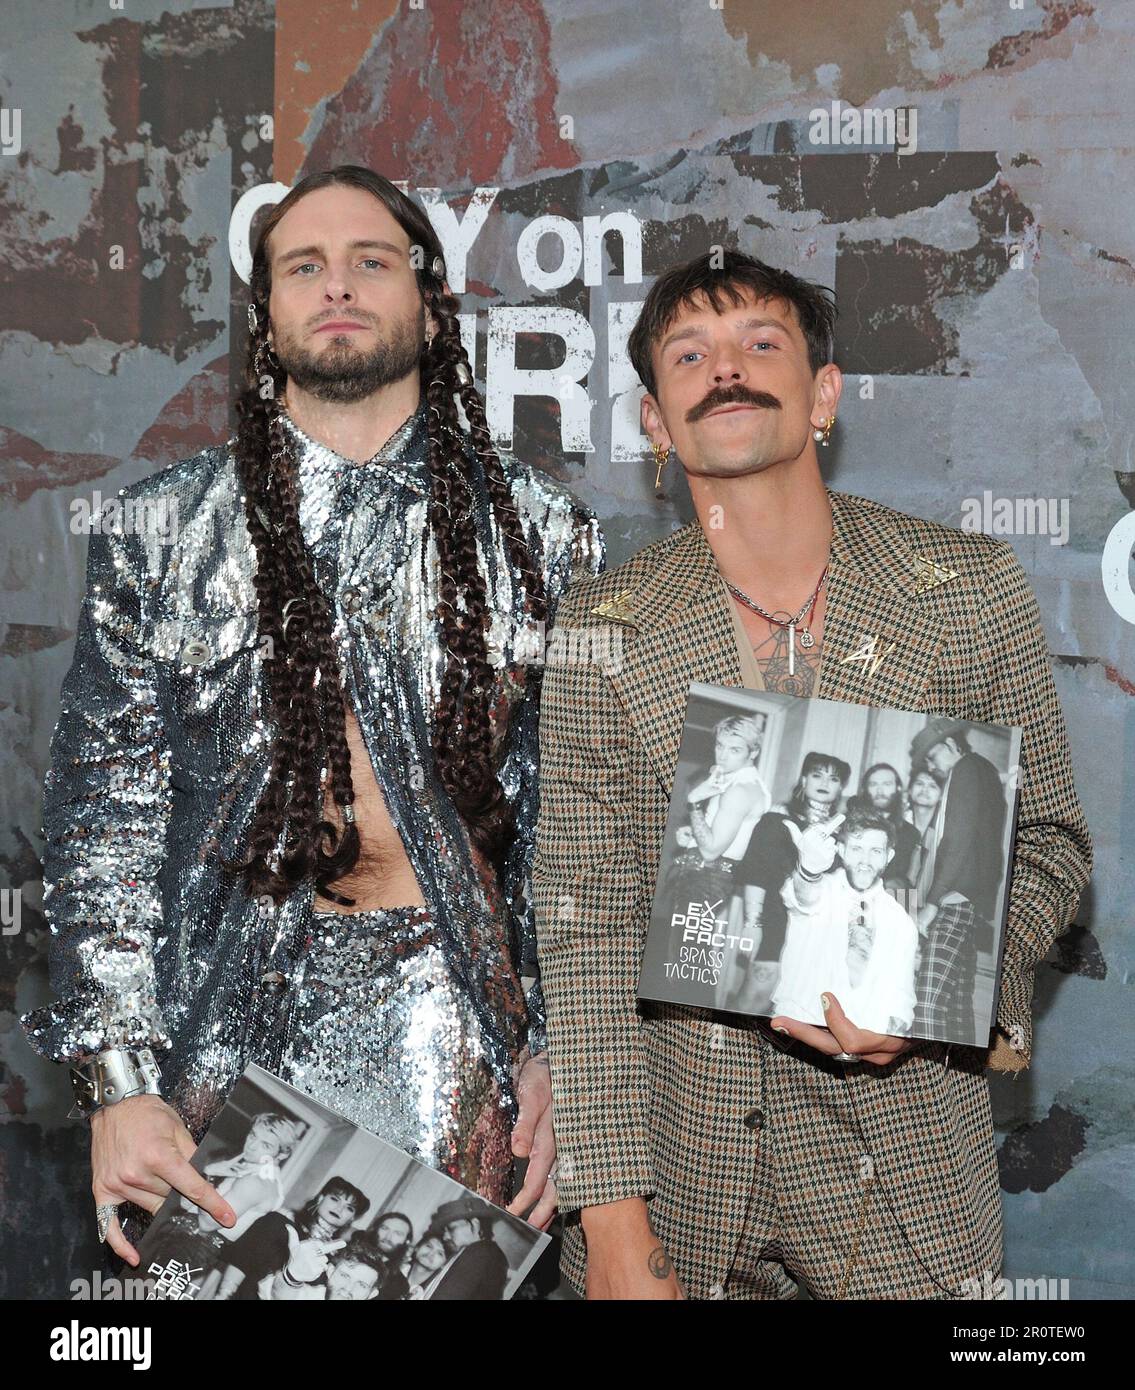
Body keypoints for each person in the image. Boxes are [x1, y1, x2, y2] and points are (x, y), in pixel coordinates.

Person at [20, 164, 600, 1263]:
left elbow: (572, 827)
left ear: (429, 303)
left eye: (371, 262)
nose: (337, 286)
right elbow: (104, 830)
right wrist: (121, 1081)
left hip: (458, 1036)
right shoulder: (160, 531)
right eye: (304, 267)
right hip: (220, 1029)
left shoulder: (539, 534)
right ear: (266, 313)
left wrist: (566, 1055)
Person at [532, 249, 1092, 1300]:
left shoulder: (964, 590)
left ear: (822, 392)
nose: (725, 370)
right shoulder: (600, 628)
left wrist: (939, 991)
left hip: (909, 1186)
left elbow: (1049, 848)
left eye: (759, 343)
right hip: (685, 1195)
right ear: (654, 420)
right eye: (688, 354)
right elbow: (585, 923)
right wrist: (609, 1216)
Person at [717, 750, 850, 1014]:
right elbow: (756, 873)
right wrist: (753, 924)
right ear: (803, 780)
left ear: (840, 788)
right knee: (756, 997)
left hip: (817, 931)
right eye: (817, 775)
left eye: (833, 779)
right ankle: (719, 1047)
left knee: (793, 1008)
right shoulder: (776, 822)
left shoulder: (842, 835)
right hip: (776, 923)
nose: (824, 783)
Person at [772, 809, 918, 1037]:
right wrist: (809, 869)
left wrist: (888, 1036)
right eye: (857, 849)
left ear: (889, 856)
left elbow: (902, 996)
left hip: (862, 1037)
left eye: (876, 851)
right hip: (801, 1025)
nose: (865, 861)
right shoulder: (822, 889)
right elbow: (803, 898)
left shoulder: (901, 922)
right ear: (841, 851)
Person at [910, 719, 1009, 1043]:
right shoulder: (985, 771)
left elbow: (958, 838)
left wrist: (933, 903)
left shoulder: (965, 769)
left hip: (953, 901)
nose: (930, 765)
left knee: (926, 1005)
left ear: (951, 745)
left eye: (931, 755)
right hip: (972, 901)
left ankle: (924, 1078)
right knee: (957, 1009)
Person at [211, 1175, 371, 1300]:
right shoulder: (278, 1223)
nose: (339, 1208)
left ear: (352, 1218)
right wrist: (224, 1295)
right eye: (335, 1199)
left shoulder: (336, 1260)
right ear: (321, 1198)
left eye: (349, 1208)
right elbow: (241, 1260)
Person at [847, 763, 921, 892]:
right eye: (873, 784)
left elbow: (907, 884)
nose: (880, 791)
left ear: (898, 788)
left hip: (891, 901)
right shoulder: (847, 826)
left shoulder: (911, 833)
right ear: (865, 789)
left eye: (886, 784)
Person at [422, 1195, 510, 1300]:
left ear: (475, 1224)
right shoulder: (470, 1251)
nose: (445, 1237)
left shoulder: (483, 1254)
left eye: (451, 1228)